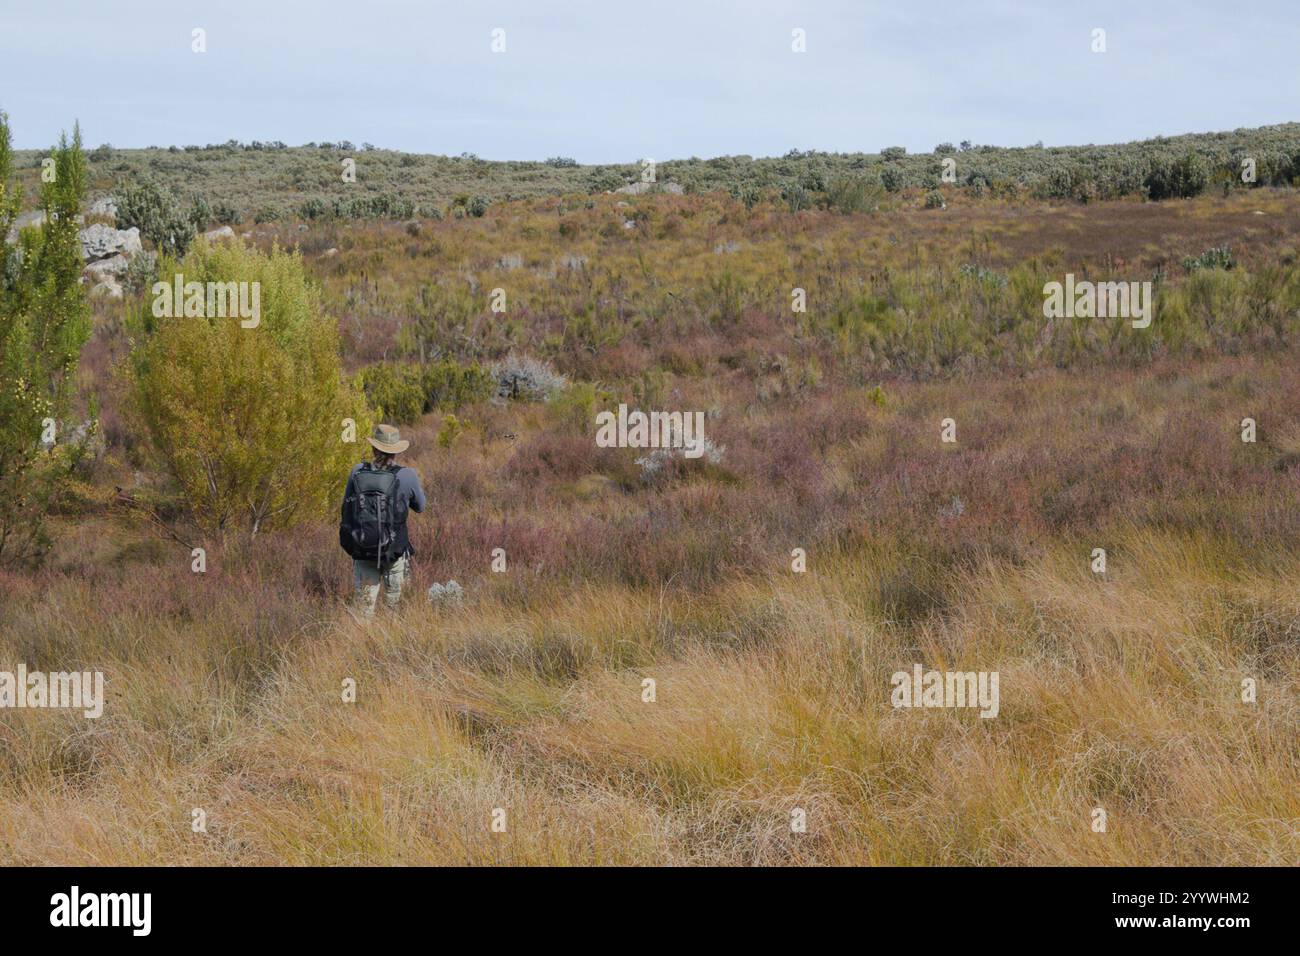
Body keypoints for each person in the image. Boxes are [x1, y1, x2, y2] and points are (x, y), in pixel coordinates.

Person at [340, 424, 427, 619]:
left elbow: (345, 506)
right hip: (395, 552)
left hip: (362, 549)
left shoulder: (357, 472)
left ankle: (357, 648)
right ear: (396, 451)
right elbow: (421, 507)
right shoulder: (407, 475)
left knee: (363, 612)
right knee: (395, 611)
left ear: (373, 448)